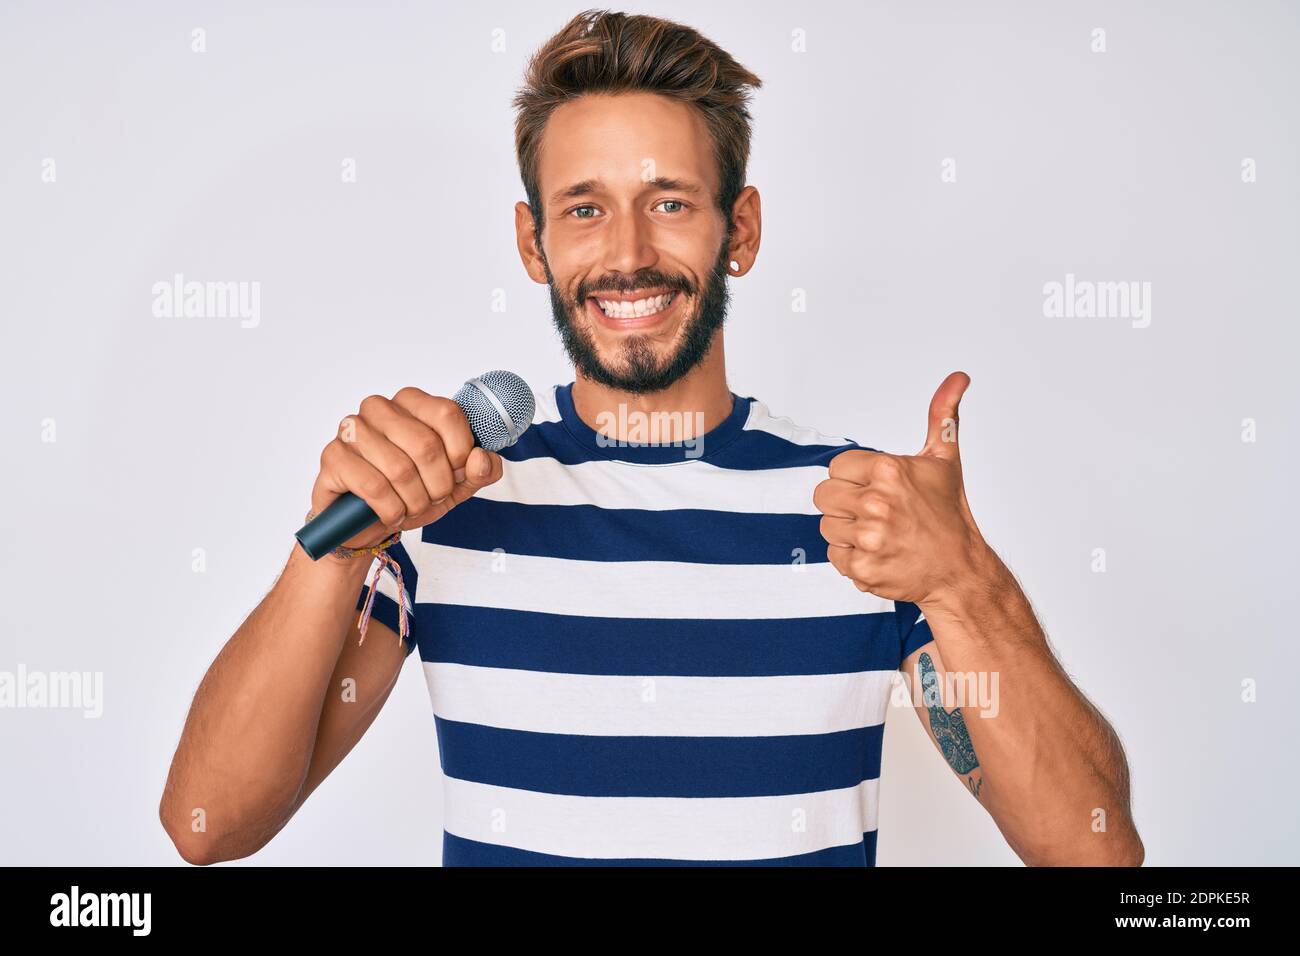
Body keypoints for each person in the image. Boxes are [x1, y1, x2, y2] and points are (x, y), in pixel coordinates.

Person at [160, 9, 1143, 867]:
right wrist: (332, 548)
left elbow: (1091, 847)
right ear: (533, 242)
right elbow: (208, 825)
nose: (627, 253)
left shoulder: (862, 513)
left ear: (740, 230)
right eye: (585, 210)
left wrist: (960, 582)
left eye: (668, 202)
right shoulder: (449, 503)